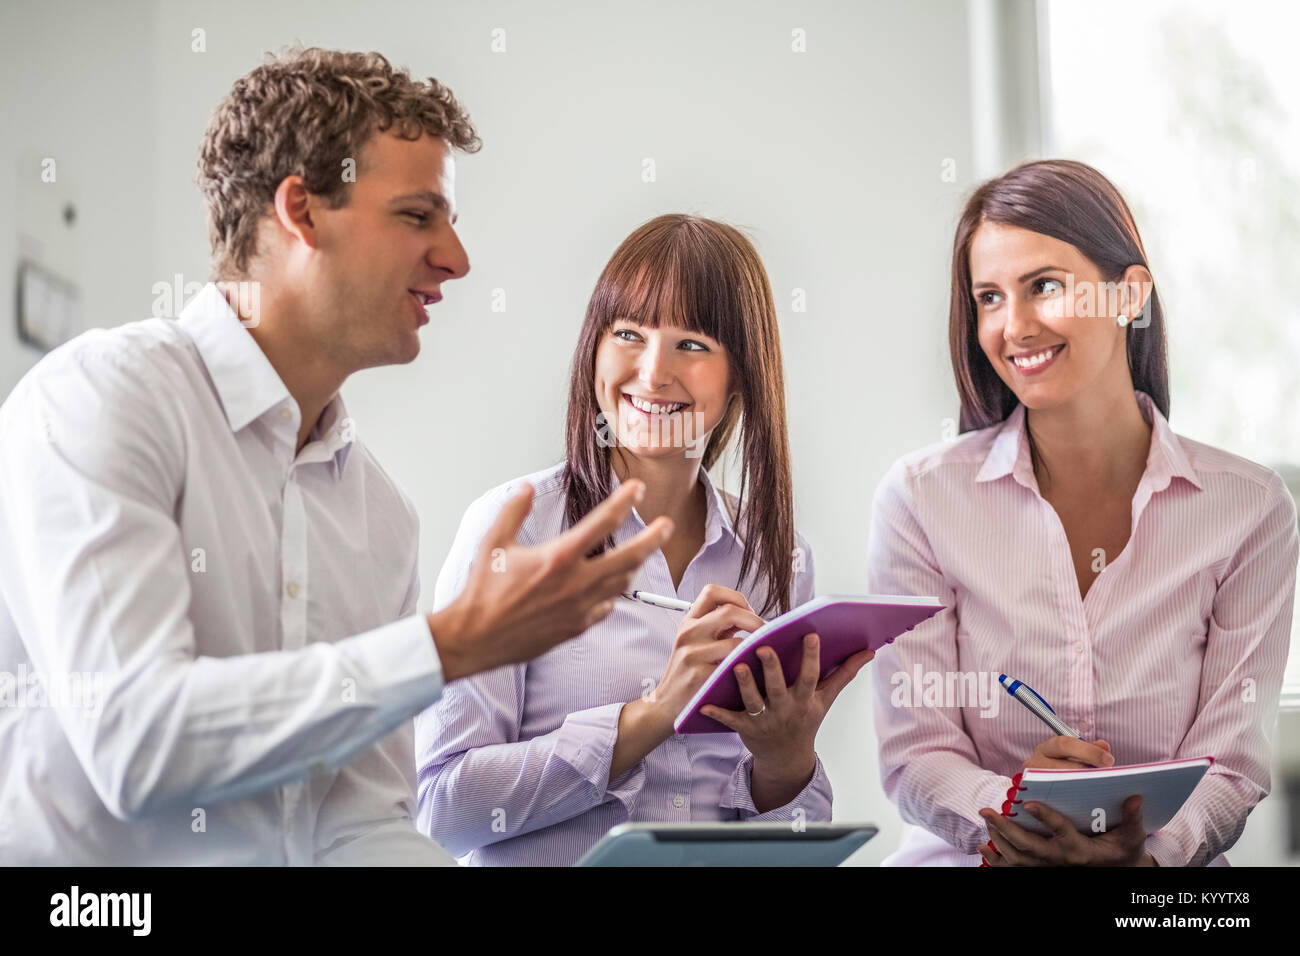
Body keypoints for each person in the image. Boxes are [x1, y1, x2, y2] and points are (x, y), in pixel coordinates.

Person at [0, 47, 671, 866]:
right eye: (418, 216)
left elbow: (361, 827)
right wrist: (447, 646)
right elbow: (137, 743)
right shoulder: (100, 399)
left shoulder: (380, 515)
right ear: (302, 212)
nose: (456, 259)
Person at [868, 159, 1298, 867]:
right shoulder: (921, 498)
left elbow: (1232, 764)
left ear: (1130, 295)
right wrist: (1015, 814)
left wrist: (1147, 857)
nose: (1014, 325)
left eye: (1043, 286)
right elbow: (917, 752)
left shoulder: (1247, 510)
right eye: (989, 298)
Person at [415, 214, 873, 865]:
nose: (653, 373)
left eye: (692, 344)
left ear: (740, 372)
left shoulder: (778, 557)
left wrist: (786, 760)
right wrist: (652, 714)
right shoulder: (512, 531)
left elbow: (784, 837)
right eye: (628, 333)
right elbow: (441, 811)